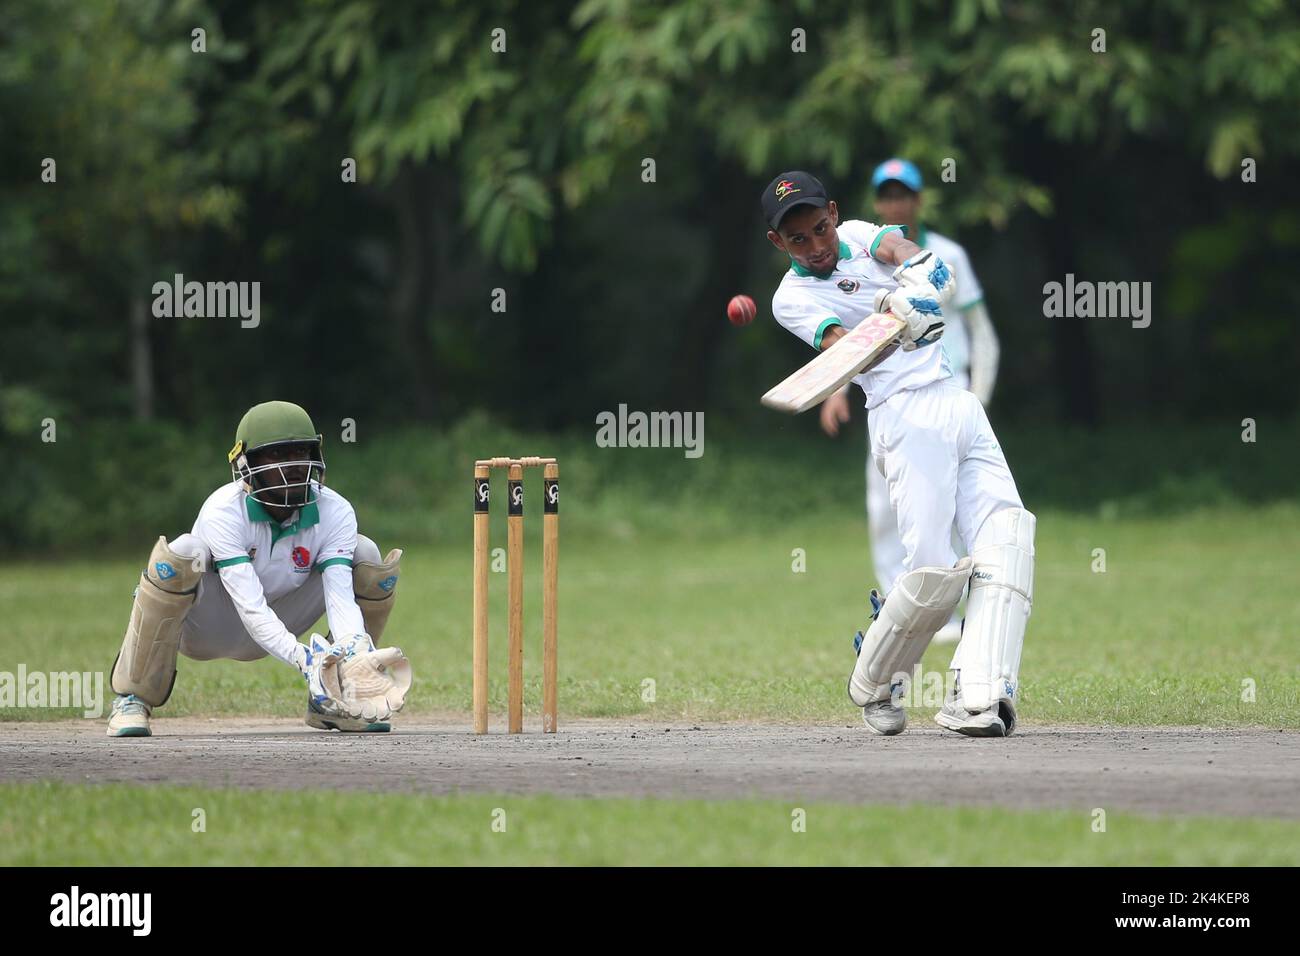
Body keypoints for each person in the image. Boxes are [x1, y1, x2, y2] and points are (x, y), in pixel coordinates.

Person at [762, 170, 1035, 737]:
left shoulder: (859, 233)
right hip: (904, 416)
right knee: (933, 573)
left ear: (833, 213)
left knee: (1006, 539)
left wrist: (918, 274)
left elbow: (905, 248)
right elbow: (846, 351)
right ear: (778, 244)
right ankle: (876, 680)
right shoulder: (791, 298)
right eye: (798, 240)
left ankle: (979, 697)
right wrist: (896, 315)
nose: (815, 247)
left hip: (955, 399)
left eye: (819, 229)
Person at [106, 400, 406, 737]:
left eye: (301, 453)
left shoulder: (335, 510)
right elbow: (250, 607)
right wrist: (305, 660)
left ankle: (335, 700)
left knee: (365, 553)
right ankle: (133, 697)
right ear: (245, 465)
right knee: (182, 552)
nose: (293, 466)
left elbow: (339, 598)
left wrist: (355, 652)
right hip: (204, 626)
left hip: (283, 617)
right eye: (278, 456)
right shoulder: (223, 510)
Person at [819, 158, 1000, 644]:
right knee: (890, 504)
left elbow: (982, 334)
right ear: (880, 202)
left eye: (904, 194)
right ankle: (899, 605)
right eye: (887, 195)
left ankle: (960, 611)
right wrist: (836, 390)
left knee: (966, 503)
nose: (895, 203)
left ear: (919, 199)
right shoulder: (862, 253)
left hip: (950, 383)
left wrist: (976, 397)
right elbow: (854, 333)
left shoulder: (948, 254)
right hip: (891, 395)